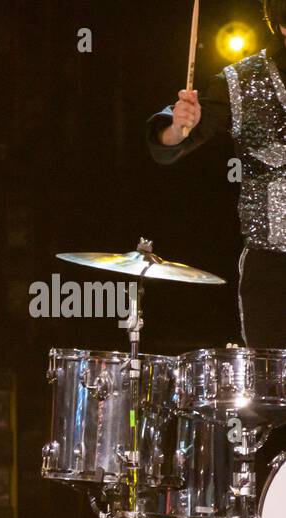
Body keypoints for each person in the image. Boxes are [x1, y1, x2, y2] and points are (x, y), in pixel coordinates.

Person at [147, 0, 286, 346]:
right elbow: (172, 137)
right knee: (273, 391)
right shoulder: (242, 81)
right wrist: (176, 129)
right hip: (274, 270)